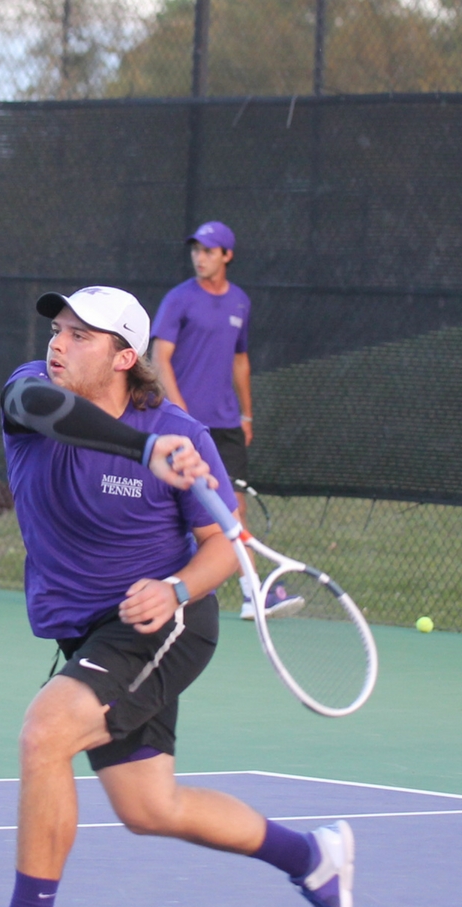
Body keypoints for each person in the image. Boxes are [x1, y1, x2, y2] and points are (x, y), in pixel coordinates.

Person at [0, 286, 354, 907]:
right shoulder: (32, 394)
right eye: (58, 330)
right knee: (151, 806)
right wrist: (143, 449)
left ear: (125, 356)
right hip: (87, 629)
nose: (58, 344)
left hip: (161, 624)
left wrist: (175, 588)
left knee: (45, 732)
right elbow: (45, 409)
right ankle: (312, 857)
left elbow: (223, 547)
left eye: (81, 336)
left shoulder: (186, 435)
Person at [151, 221, 282, 620]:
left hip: (225, 426)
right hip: (183, 427)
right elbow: (159, 358)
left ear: (227, 255)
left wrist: (246, 413)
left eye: (208, 251)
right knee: (180, 514)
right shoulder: (179, 299)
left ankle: (252, 593)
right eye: (196, 250)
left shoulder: (240, 302)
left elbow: (241, 361)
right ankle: (177, 588)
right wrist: (181, 414)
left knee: (234, 508)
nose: (200, 257)